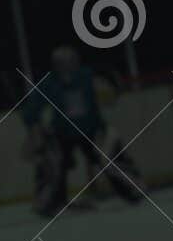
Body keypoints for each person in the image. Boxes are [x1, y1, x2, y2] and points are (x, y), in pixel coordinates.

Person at [20, 44, 144, 216]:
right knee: (53, 160)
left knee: (110, 154)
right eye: (62, 63)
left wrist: (111, 91)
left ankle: (132, 189)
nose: (67, 67)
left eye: (70, 62)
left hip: (92, 129)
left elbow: (109, 92)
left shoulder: (88, 76)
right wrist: (35, 127)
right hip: (63, 132)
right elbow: (31, 110)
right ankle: (50, 202)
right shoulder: (50, 82)